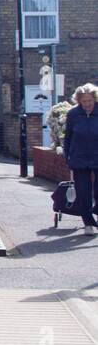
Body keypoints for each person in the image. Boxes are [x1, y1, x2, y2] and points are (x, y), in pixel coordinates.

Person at [63, 83, 98, 235]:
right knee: (83, 192)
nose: (87, 104)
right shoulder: (73, 114)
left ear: (95, 99)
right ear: (78, 101)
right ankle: (88, 223)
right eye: (84, 101)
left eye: (90, 100)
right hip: (79, 157)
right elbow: (68, 138)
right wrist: (67, 158)